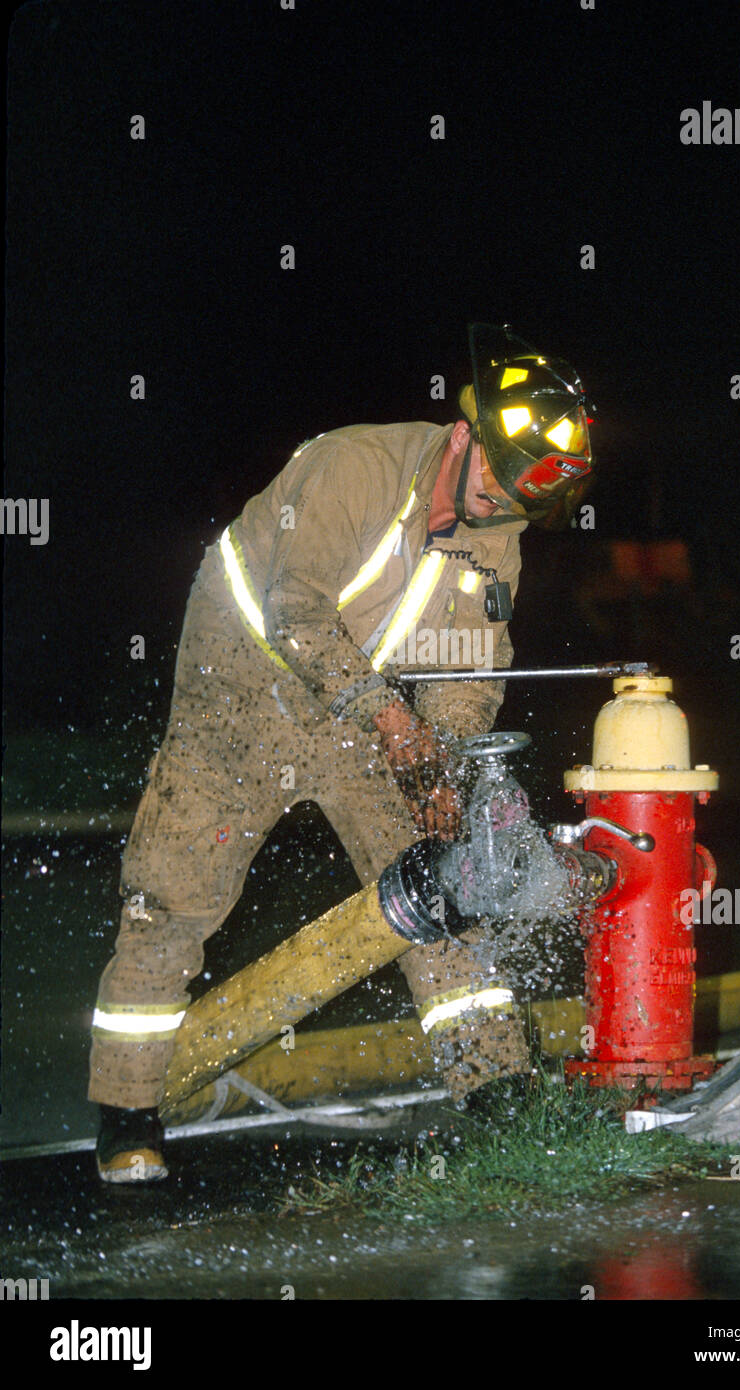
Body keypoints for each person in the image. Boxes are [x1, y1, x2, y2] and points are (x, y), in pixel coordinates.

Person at [89, 323, 594, 1181]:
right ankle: (126, 1112)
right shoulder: (353, 465)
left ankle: (494, 1087)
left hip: (364, 710)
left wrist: (448, 766)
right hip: (243, 684)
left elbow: (467, 670)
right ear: (465, 435)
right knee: (173, 893)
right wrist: (396, 727)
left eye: (517, 503)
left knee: (443, 880)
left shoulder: (498, 528)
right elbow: (297, 613)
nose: (497, 510)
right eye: (493, 485)